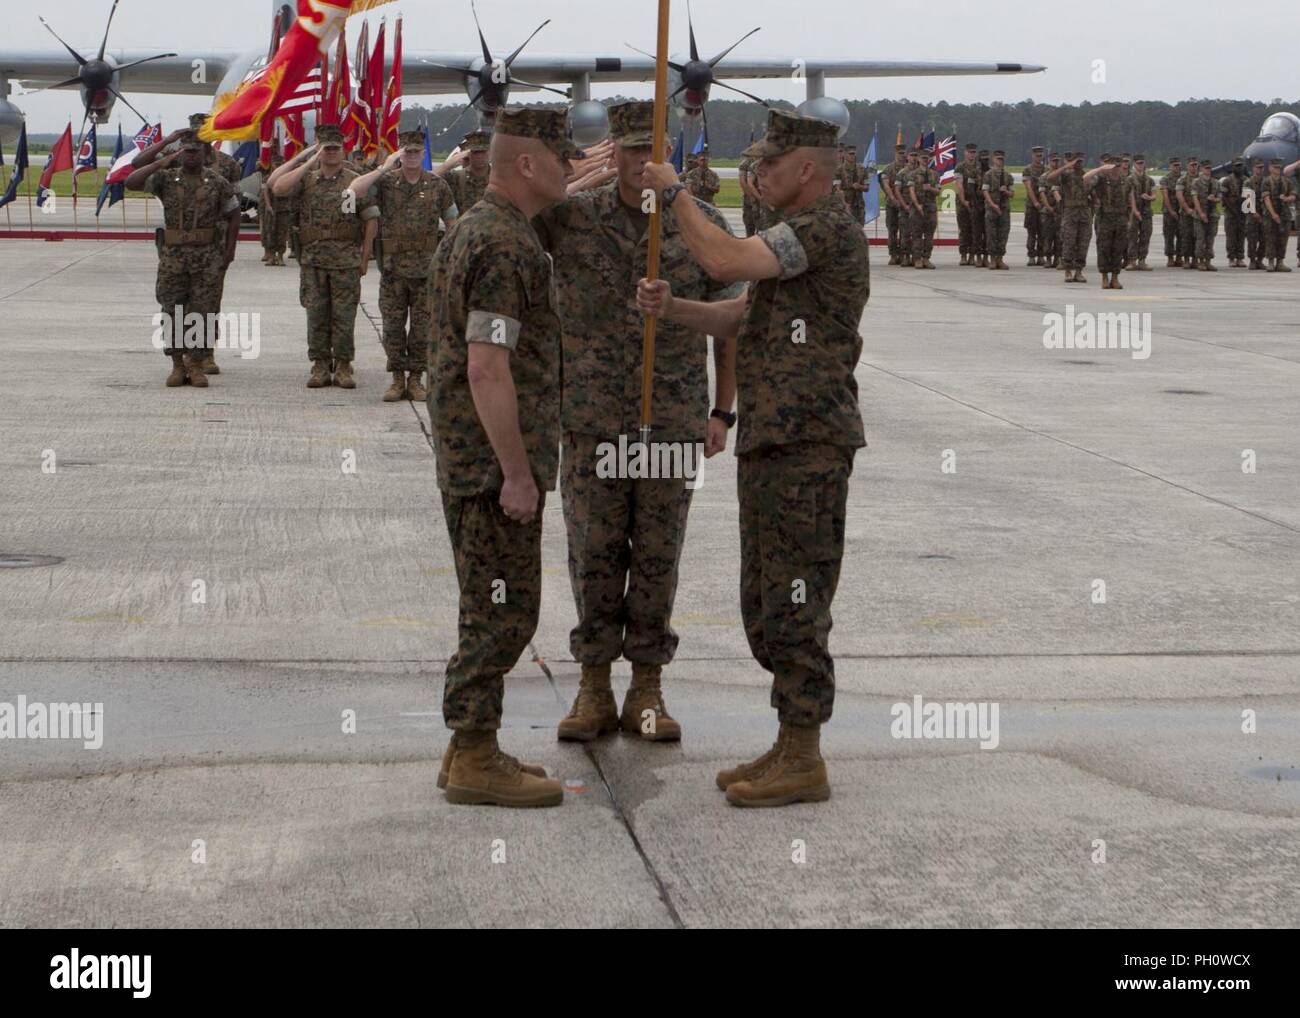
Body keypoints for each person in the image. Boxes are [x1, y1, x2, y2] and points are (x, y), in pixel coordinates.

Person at [636, 109, 870, 807]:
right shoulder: (790, 237)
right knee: (767, 602)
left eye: (768, 165)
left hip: (807, 444)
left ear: (806, 170)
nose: (756, 174)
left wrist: (675, 194)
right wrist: (673, 308)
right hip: (774, 441)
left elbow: (724, 260)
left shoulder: (825, 227)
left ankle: (805, 754)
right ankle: (789, 741)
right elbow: (742, 312)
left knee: (797, 600)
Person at [529, 100, 744, 745]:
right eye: (624, 150)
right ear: (609, 153)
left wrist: (721, 411)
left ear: (668, 151)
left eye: (649, 150)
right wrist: (581, 176)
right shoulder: (574, 221)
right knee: (593, 551)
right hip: (592, 420)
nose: (637, 163)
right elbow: (518, 213)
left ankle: (647, 687)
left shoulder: (701, 223)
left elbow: (730, 323)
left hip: (672, 420)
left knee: (657, 555)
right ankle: (594, 684)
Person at [124, 131, 240, 388]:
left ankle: (196, 364)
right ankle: (177, 364)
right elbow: (131, 181)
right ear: (180, 153)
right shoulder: (166, 179)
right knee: (172, 310)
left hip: (206, 256)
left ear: (205, 154)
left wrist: (229, 251)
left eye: (196, 151)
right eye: (186, 151)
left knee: (202, 311)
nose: (191, 156)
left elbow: (234, 213)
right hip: (174, 257)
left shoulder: (217, 181)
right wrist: (162, 161)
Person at [350, 130, 458, 402]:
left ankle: (416, 380)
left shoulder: (436, 185)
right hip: (394, 271)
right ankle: (397, 379)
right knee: (393, 327)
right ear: (400, 154)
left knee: (422, 328)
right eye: (406, 152)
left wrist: (451, 261)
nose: (411, 157)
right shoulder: (386, 183)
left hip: (426, 271)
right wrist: (384, 166)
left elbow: (453, 223)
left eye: (416, 152)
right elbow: (354, 191)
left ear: (423, 154)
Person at [268, 124, 379, 389]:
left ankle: (342, 365)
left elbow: (371, 218)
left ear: (343, 151)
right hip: (314, 259)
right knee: (316, 314)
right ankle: (319, 364)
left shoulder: (354, 179)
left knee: (344, 315)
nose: (330, 153)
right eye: (325, 149)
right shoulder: (307, 179)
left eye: (334, 149)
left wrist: (365, 256)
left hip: (346, 260)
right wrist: (307, 160)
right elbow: (278, 187)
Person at [1093, 154, 1130, 288]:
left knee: (1118, 249)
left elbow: (1130, 199)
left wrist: (1129, 217)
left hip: (1120, 219)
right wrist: (1100, 169)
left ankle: (1115, 277)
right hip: (1105, 219)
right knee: (1104, 248)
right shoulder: (1101, 179)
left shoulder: (1125, 181)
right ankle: (1104, 277)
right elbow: (1084, 179)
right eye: (1114, 166)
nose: (1116, 169)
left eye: (1118, 166)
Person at [439, 130, 491, 213]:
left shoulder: (498, 177)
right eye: (475, 152)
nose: (479, 156)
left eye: (483, 152)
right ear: (468, 154)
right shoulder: (457, 177)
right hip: (464, 225)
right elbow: (429, 178)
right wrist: (453, 161)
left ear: (490, 152)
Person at [982, 149, 1014, 270]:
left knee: (1003, 234)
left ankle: (1000, 258)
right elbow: (985, 191)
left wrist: (1006, 191)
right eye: (998, 159)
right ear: (993, 159)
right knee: (991, 234)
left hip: (1004, 208)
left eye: (1002, 159)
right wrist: (992, 204)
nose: (1000, 161)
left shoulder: (1008, 176)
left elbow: (1012, 194)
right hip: (992, 209)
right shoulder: (988, 175)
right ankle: (993, 259)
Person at [1261, 158, 1295, 271]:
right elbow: (1266, 199)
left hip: (1285, 214)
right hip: (1270, 215)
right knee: (1270, 238)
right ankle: (1271, 261)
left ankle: (1280, 262)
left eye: (1279, 167)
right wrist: (1273, 214)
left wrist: (1287, 198)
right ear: (1270, 168)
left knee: (1283, 238)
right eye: (1275, 167)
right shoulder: (1266, 181)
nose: (1277, 169)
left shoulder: (1286, 181)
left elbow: (1294, 195)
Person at [908, 146, 938, 269]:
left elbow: (938, 191)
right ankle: (917, 259)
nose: (925, 160)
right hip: (917, 208)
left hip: (930, 208)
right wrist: (917, 205)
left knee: (929, 235)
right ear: (919, 159)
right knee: (916, 235)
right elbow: (911, 191)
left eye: (927, 158)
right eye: (923, 158)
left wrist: (930, 188)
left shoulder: (934, 174)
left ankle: (926, 258)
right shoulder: (912, 174)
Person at [1190, 158, 1221, 271]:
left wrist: (1215, 199)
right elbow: (1195, 199)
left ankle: (1208, 261)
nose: (1208, 170)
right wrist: (1200, 213)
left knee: (1210, 239)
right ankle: (1200, 261)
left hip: (1212, 214)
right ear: (1202, 169)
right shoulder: (1196, 182)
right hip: (1200, 215)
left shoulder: (1215, 183)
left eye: (1209, 168)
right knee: (1200, 238)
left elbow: (1220, 198)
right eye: (1206, 168)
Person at [1126, 154, 1155, 271]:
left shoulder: (1149, 180)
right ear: (1134, 164)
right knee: (1132, 236)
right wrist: (1134, 210)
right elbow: (1129, 195)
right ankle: (1132, 260)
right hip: (1134, 211)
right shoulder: (1129, 179)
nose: (1140, 165)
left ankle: (1142, 260)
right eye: (1138, 163)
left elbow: (1154, 195)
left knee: (1145, 236)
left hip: (1146, 211)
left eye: (1142, 163)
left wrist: (1149, 197)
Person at [881, 142, 909, 265]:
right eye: (900, 153)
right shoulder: (888, 169)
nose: (902, 155)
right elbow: (886, 185)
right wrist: (893, 199)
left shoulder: (909, 169)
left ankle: (904, 255)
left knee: (905, 231)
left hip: (905, 205)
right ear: (895, 153)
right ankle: (893, 254)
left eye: (903, 153)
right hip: (892, 205)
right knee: (892, 231)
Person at [955, 142, 982, 266]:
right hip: (963, 202)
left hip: (976, 202)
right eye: (969, 152)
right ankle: (963, 255)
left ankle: (972, 255)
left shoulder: (980, 167)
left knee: (975, 229)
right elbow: (959, 185)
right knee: (964, 229)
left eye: (973, 152)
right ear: (965, 153)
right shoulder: (960, 167)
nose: (972, 155)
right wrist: (964, 201)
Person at [1220, 158, 1247, 268]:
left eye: (1240, 166)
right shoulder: (1227, 180)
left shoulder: (1246, 180)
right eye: (1236, 166)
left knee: (1241, 235)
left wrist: (1246, 210)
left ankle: (1240, 257)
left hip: (1242, 212)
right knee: (1231, 235)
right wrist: (1232, 208)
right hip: (1231, 212)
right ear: (1232, 167)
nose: (1239, 168)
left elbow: (1249, 197)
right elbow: (1224, 197)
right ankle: (1231, 258)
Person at [1023, 145, 1046, 266]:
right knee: (1032, 232)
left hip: (1043, 205)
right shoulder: (1028, 170)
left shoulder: (1045, 170)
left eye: (1040, 155)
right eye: (1037, 156)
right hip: (1032, 206)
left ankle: (1041, 255)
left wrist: (1043, 203)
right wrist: (1035, 202)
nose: (1039, 158)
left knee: (1042, 232)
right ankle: (1031, 255)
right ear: (1032, 156)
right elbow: (1028, 188)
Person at [1245, 159, 1267, 269]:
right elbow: (1247, 199)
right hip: (1252, 214)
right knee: (1252, 239)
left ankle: (1260, 259)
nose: (1260, 169)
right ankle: (1252, 260)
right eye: (1258, 167)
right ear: (1253, 168)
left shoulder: (1265, 181)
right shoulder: (1248, 182)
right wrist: (1254, 212)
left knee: (1264, 238)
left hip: (1264, 213)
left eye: (1262, 167)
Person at [1161, 157, 1183, 267]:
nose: (1177, 167)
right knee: (1169, 235)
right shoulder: (1166, 179)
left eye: (1178, 165)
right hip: (1169, 211)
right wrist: (1171, 210)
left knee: (1181, 234)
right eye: (1175, 165)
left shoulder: (1183, 178)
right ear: (1170, 166)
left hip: (1181, 211)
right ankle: (1170, 257)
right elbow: (1165, 196)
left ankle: (1179, 257)